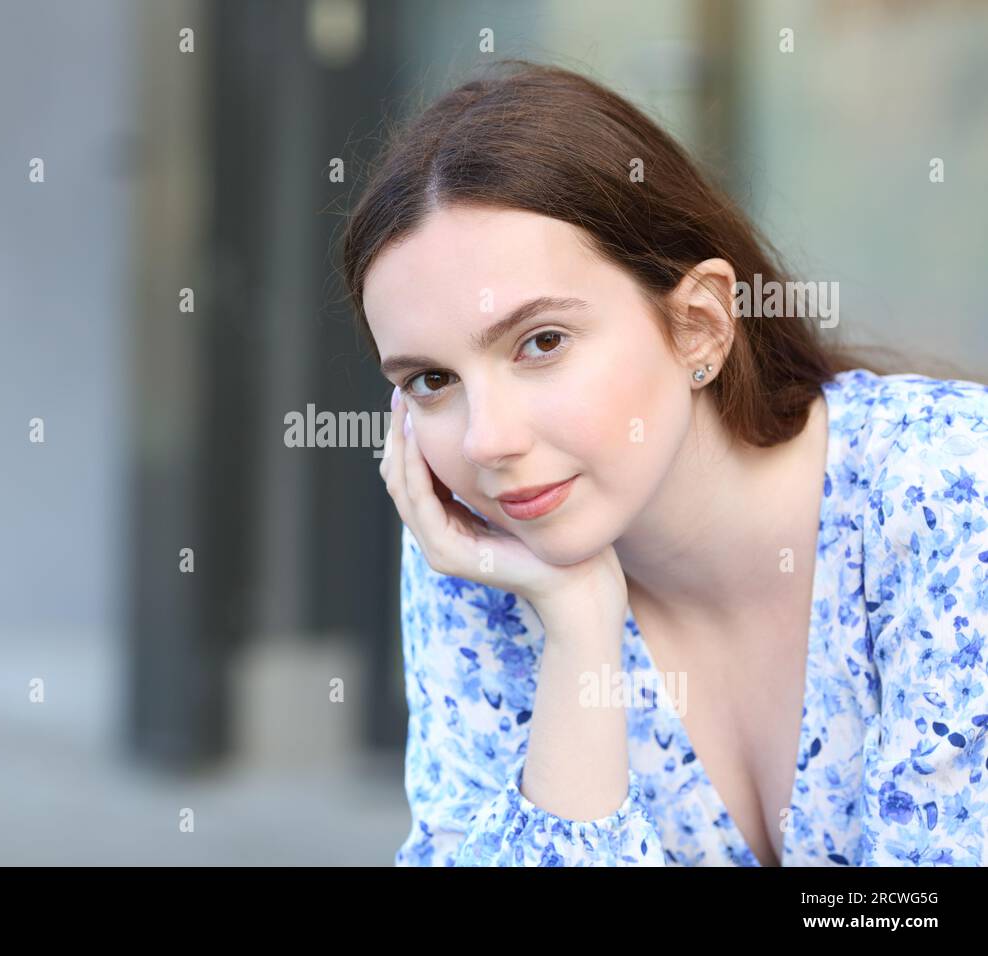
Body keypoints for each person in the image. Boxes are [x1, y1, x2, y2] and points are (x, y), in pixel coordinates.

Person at [340, 59, 988, 866]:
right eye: (432, 381)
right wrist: (578, 633)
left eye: (541, 343)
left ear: (701, 326)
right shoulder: (486, 554)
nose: (486, 442)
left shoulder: (947, 491)